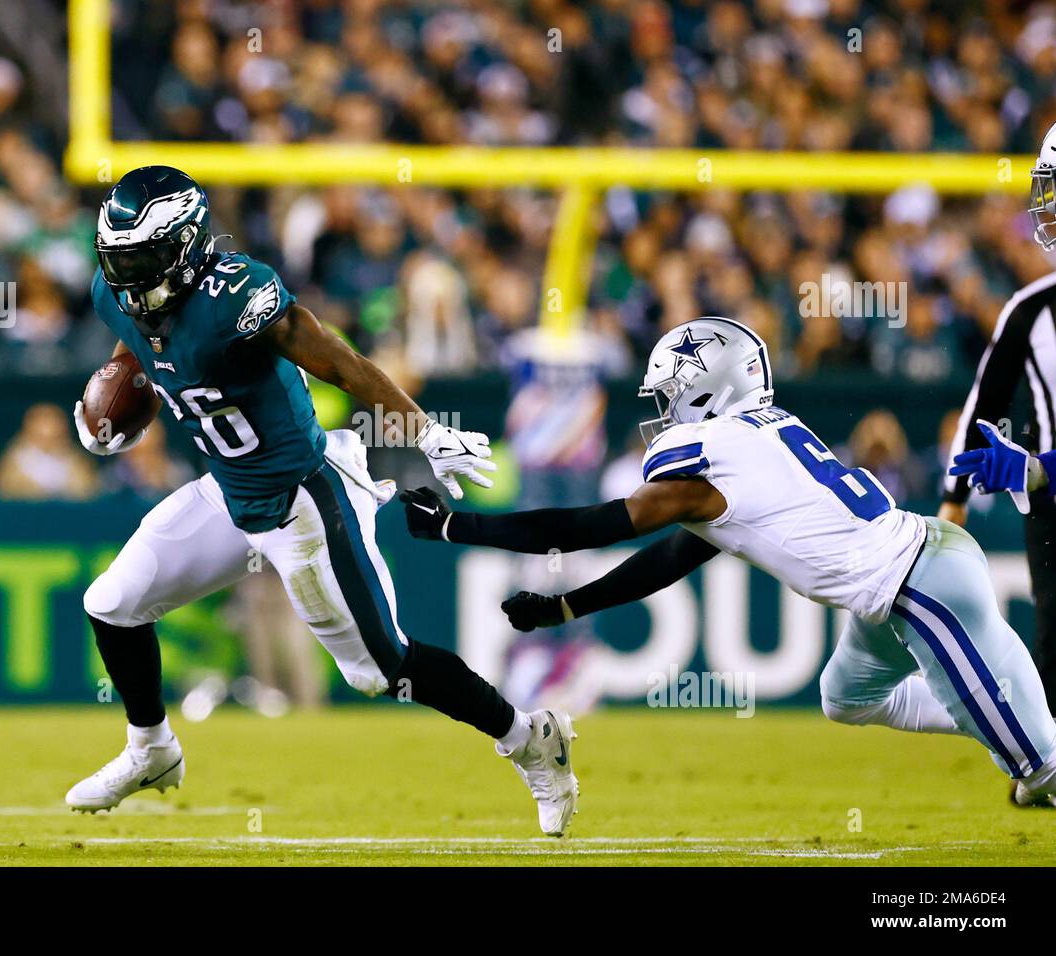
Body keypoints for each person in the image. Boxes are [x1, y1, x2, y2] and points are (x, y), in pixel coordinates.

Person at [66, 166, 576, 835]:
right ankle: (151, 750)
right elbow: (139, 344)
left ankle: (530, 738)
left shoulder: (235, 295)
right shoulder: (118, 295)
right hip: (229, 491)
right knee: (111, 604)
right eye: (119, 259)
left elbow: (340, 362)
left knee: (381, 666)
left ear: (186, 245)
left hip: (302, 493)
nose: (129, 275)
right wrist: (114, 396)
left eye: (144, 258)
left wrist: (423, 430)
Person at [403, 316, 1056, 808]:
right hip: (901, 580)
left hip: (921, 584)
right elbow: (677, 554)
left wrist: (459, 526)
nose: (664, 410)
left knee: (1040, 767)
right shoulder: (754, 440)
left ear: (709, 387)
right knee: (847, 697)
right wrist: (569, 606)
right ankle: (1006, 720)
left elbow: (586, 526)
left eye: (672, 393)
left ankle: (1024, 738)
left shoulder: (714, 450)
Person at [938, 122, 1056, 712]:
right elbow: (983, 405)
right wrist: (953, 497)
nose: (1048, 206)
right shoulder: (1030, 310)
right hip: (1052, 505)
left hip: (1046, 481)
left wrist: (1038, 469)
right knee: (1054, 642)